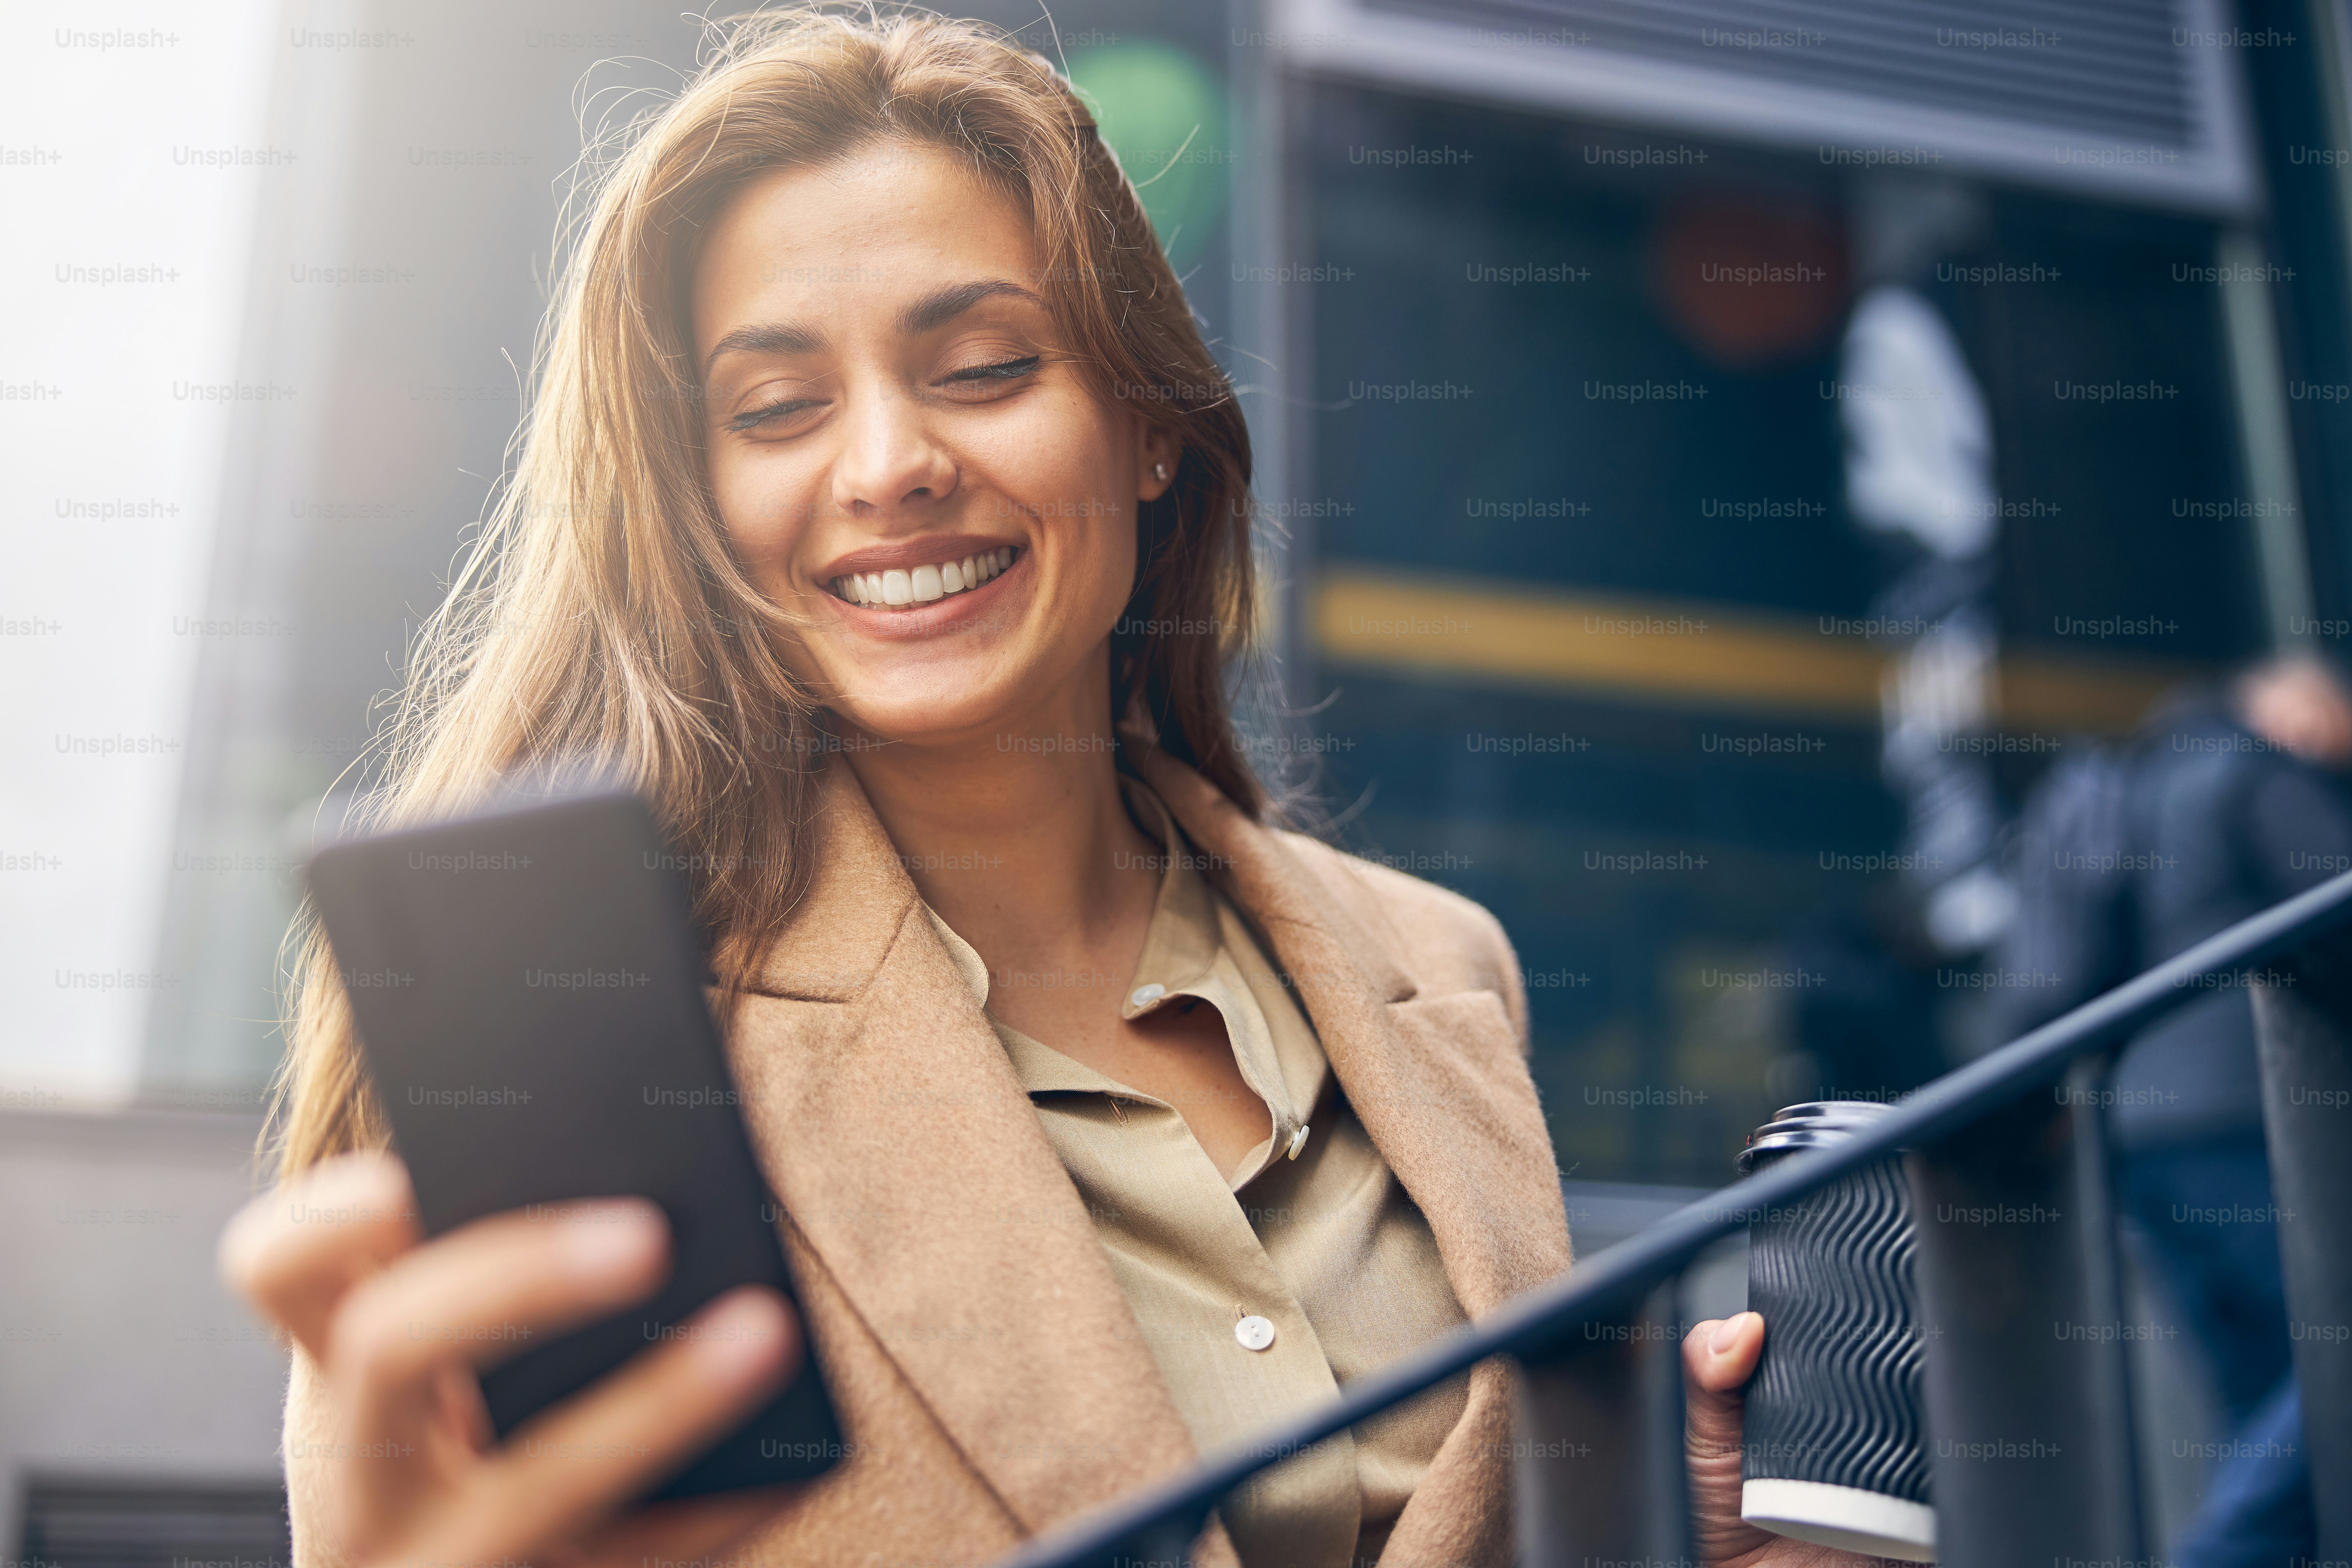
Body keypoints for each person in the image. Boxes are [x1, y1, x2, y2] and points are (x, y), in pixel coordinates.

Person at [216, 11, 1818, 1567]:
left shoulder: (1437, 961)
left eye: (983, 367)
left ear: (1147, 426)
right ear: (696, 508)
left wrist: (1666, 1532)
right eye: (775, 408)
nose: (888, 465)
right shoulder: (574, 1059)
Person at [1996, 651, 2352, 1566]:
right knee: (2329, 1359)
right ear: (2294, 704)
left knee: (2262, 1389)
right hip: (2247, 1116)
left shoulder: (2132, 788)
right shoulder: (2255, 775)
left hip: (2142, 1131)